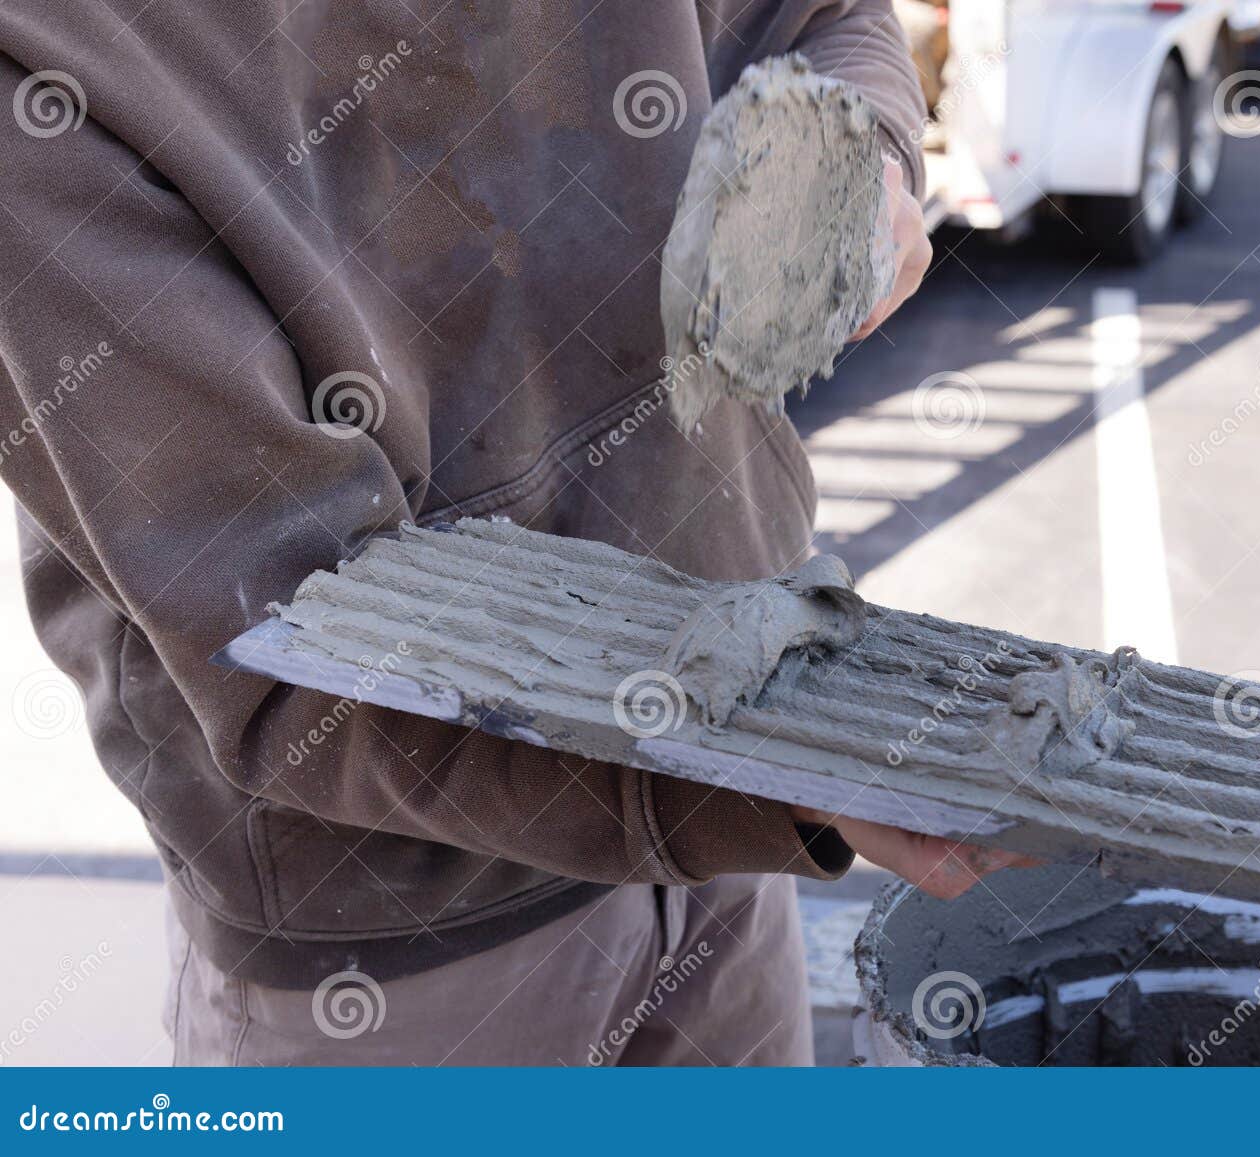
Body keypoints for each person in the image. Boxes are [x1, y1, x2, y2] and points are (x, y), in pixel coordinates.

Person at [0, 0, 1027, 1065]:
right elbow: (284, 631)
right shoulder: (52, 62)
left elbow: (818, 17)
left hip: (731, 838)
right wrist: (784, 773)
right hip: (396, 947)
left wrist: (860, 148)